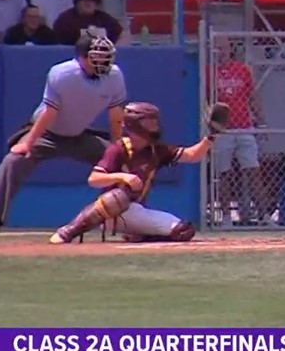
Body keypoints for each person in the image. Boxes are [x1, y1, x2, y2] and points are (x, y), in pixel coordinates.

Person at [0, 32, 126, 243]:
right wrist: (28, 143)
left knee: (124, 163)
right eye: (97, 56)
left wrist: (118, 148)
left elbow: (116, 116)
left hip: (80, 135)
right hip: (47, 133)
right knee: (13, 162)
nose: (104, 61)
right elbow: (49, 113)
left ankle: (133, 222)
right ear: (82, 57)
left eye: (105, 56)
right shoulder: (62, 74)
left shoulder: (114, 76)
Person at [49, 102, 213, 244]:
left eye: (154, 122)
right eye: (148, 122)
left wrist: (210, 137)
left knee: (183, 230)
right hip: (111, 212)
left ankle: (143, 236)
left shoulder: (156, 150)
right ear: (134, 125)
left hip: (136, 211)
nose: (154, 127)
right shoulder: (119, 149)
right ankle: (69, 230)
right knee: (118, 197)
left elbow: (193, 155)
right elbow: (94, 179)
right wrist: (122, 176)